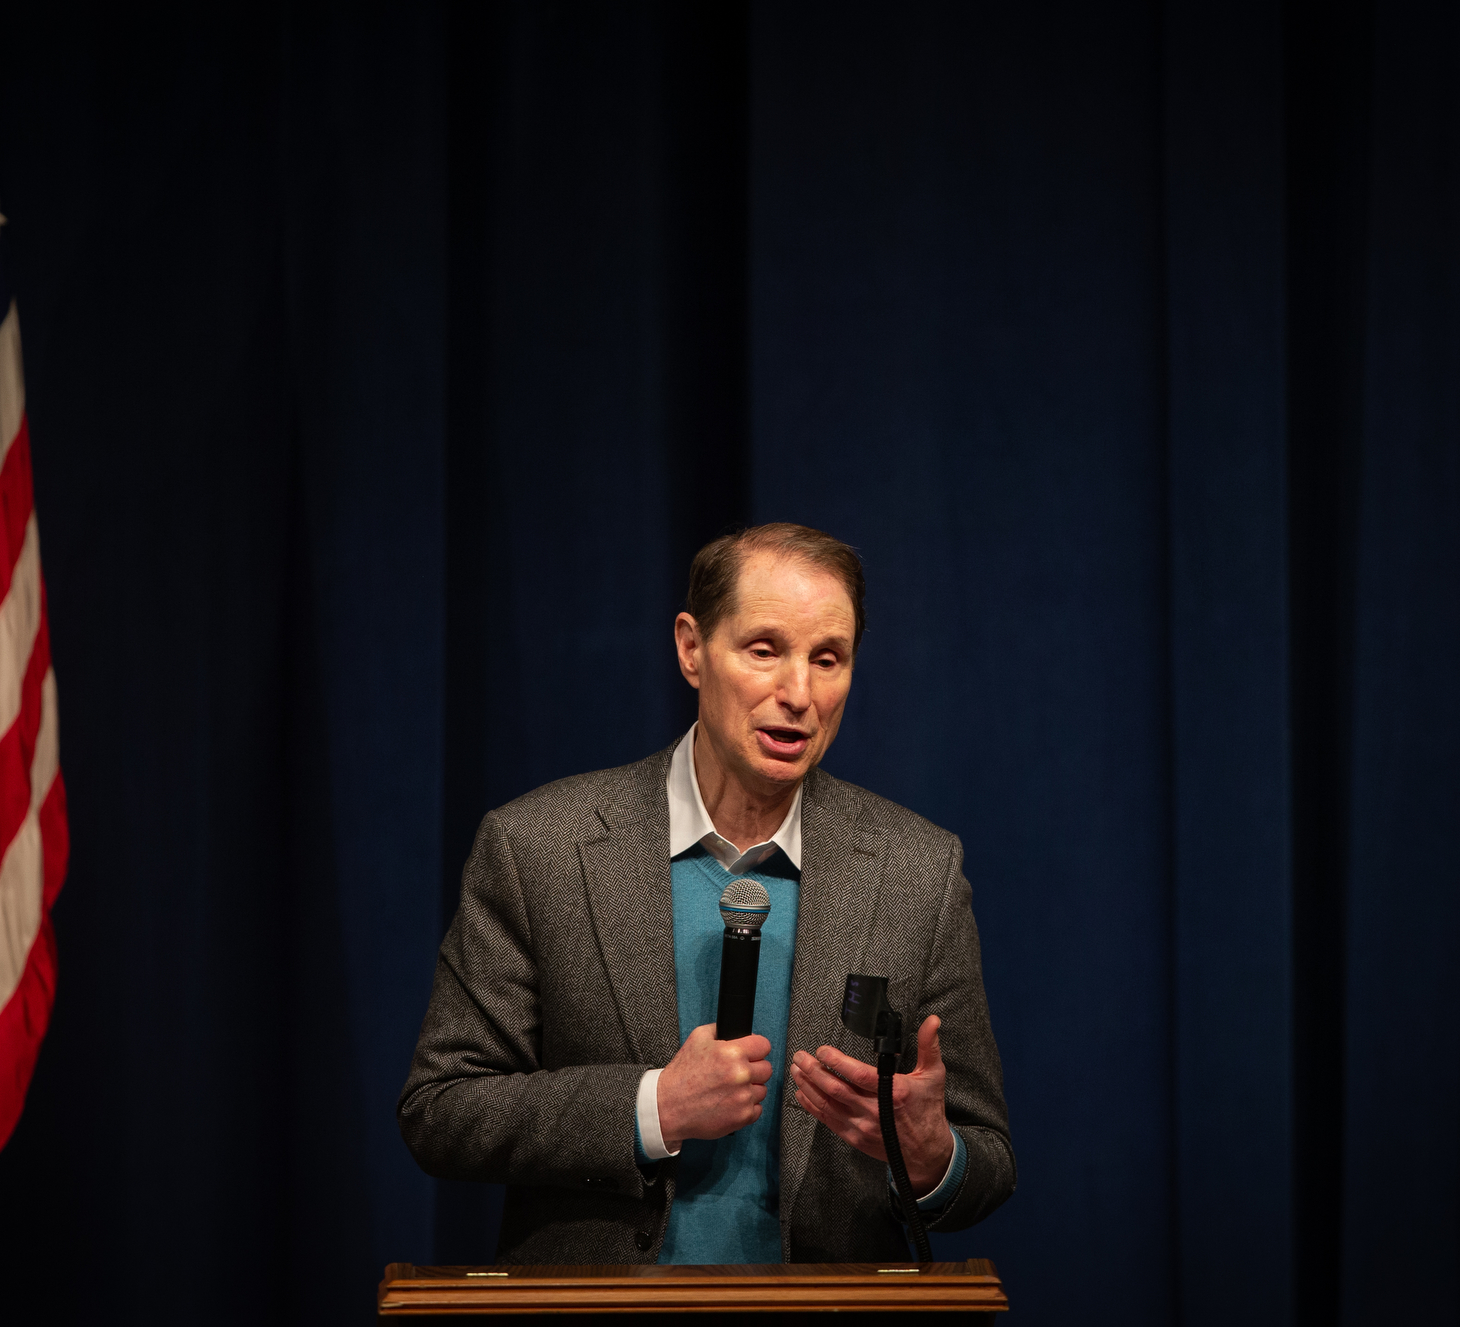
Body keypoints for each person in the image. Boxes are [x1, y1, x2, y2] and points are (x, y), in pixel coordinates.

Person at [397, 523, 1015, 1263]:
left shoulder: (920, 870)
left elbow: (987, 1161)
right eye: (764, 649)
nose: (799, 694)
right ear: (692, 648)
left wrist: (931, 1155)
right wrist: (650, 1106)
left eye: (828, 659)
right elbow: (441, 1108)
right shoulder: (539, 849)